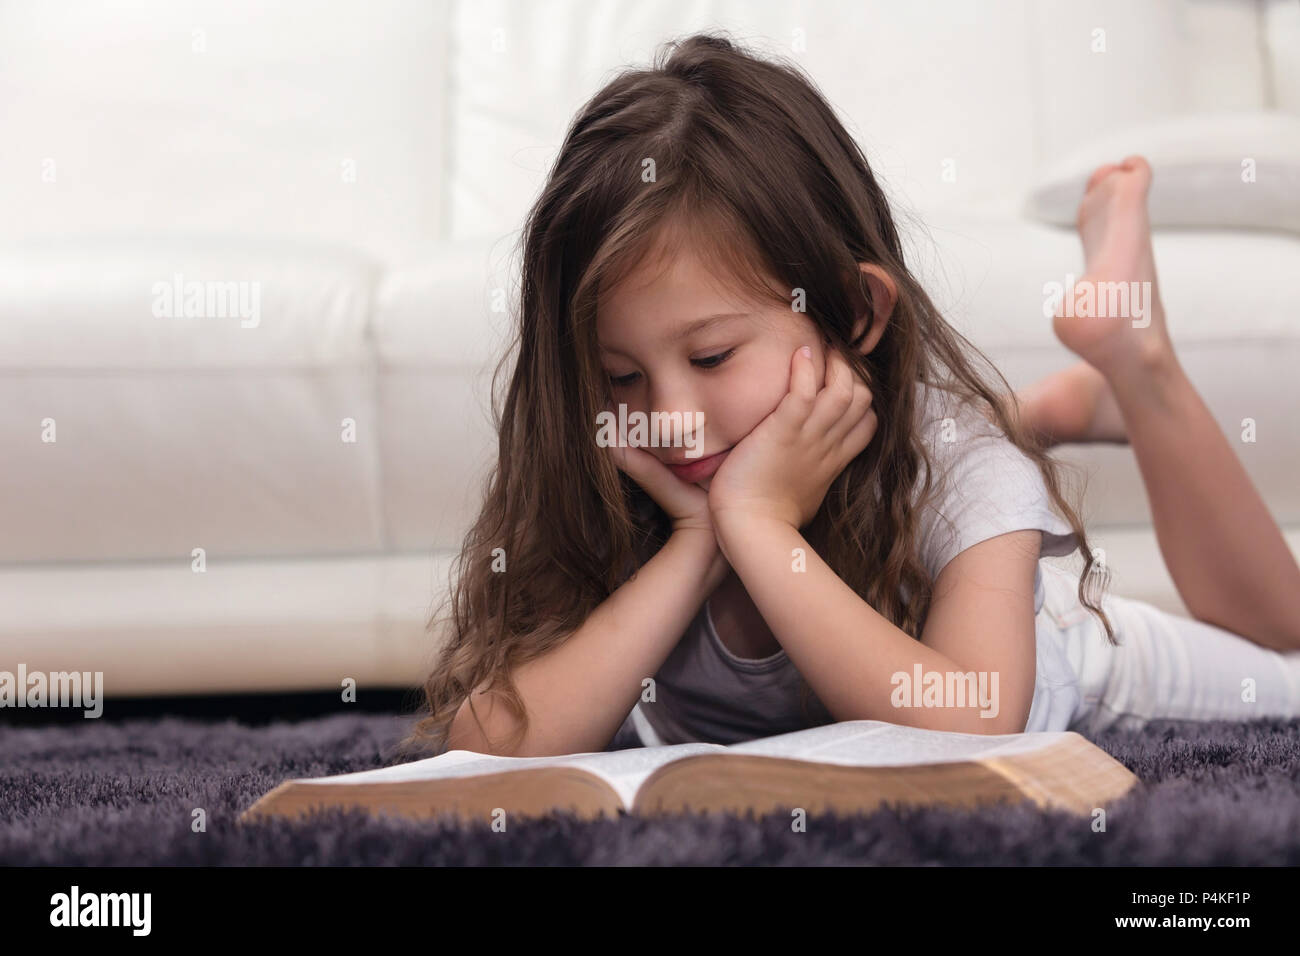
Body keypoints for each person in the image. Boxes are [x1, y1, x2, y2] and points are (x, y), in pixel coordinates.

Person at [399, 32, 1300, 760]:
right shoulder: (617, 473)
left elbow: (974, 725)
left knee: (1288, 654)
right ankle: (1054, 409)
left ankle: (1136, 369)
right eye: (623, 375)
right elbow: (485, 746)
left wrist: (760, 529)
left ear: (856, 312)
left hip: (1071, 647)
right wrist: (700, 537)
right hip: (894, 460)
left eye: (712, 357)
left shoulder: (959, 471)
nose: (667, 413)